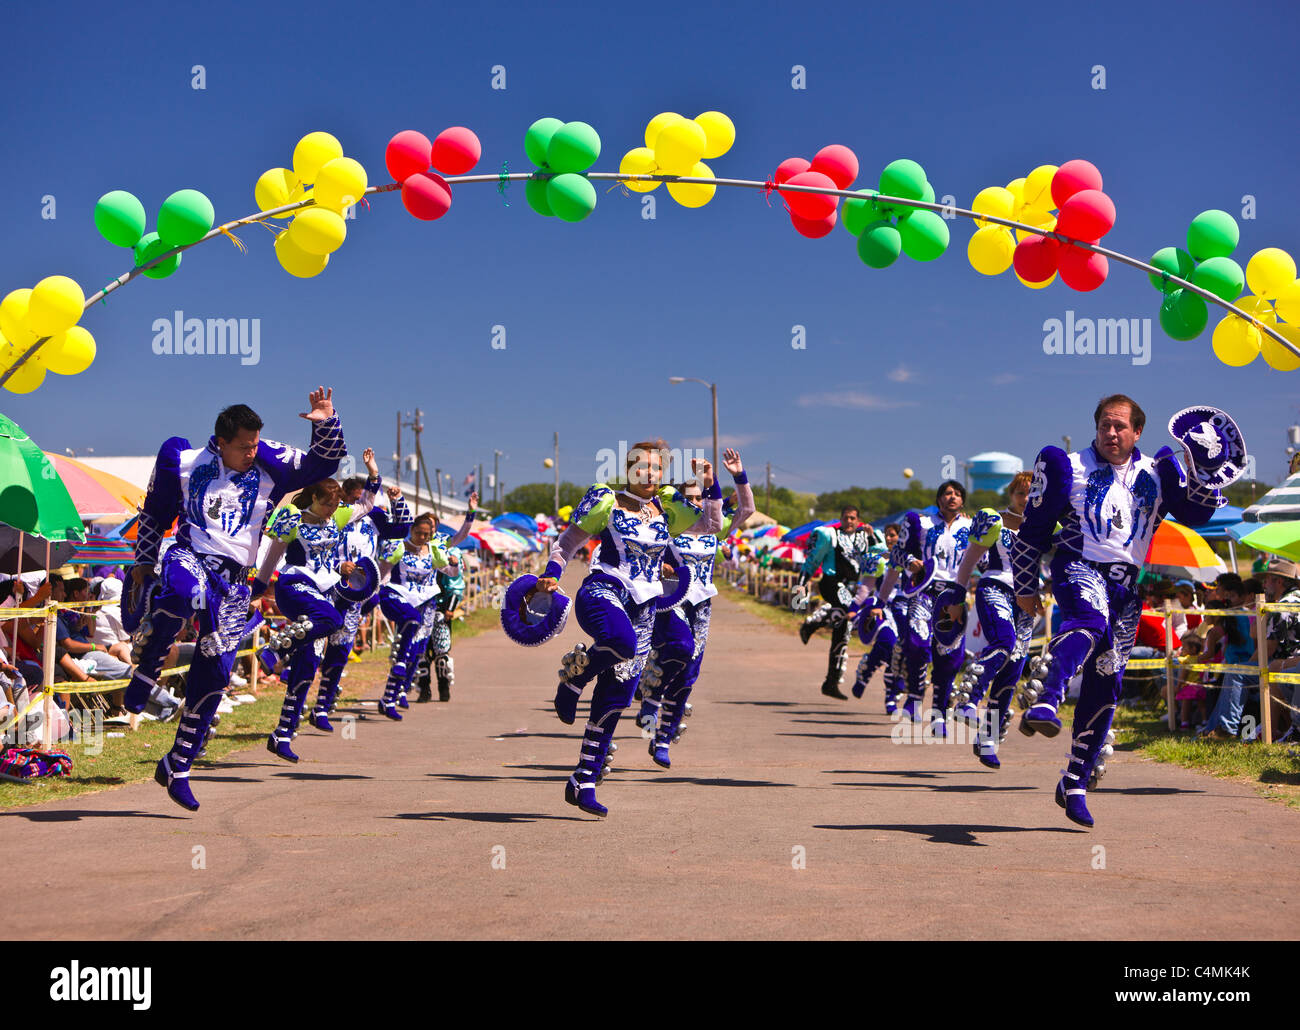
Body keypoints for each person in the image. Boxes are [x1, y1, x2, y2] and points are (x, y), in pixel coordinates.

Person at [1012, 397, 1240, 827]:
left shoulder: (1159, 470)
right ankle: (1047, 698)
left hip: (1127, 587)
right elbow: (1033, 530)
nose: (1110, 433)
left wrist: (1206, 471)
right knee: (1089, 621)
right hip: (1078, 564)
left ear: (1137, 432)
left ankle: (1075, 783)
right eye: (1104, 425)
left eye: (1119, 427)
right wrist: (1025, 587)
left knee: (1107, 682)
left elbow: (1195, 512)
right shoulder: (1068, 465)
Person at [124, 388, 346, 810]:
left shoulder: (270, 465)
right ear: (221, 441)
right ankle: (150, 661)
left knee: (215, 675)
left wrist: (325, 421)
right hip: (189, 555)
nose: (252, 451)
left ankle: (177, 765)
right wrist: (143, 561)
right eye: (244, 445)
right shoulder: (184, 461)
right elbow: (154, 512)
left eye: (255, 444)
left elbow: (323, 464)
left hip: (235, 580)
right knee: (186, 594)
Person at [527, 442, 719, 817]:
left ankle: (582, 780)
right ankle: (572, 682)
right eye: (642, 467)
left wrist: (710, 483)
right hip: (605, 590)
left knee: (616, 697)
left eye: (657, 469)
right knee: (620, 640)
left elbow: (711, 526)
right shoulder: (606, 501)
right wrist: (551, 574)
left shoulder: (668, 509)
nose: (650, 475)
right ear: (629, 470)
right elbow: (567, 543)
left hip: (645, 606)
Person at [255, 450, 387, 761]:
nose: (331, 510)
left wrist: (373, 471)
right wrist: (260, 587)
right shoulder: (292, 519)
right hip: (294, 586)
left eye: (334, 504)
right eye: (326, 503)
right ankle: (275, 649)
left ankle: (282, 734)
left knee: (308, 666)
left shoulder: (338, 517)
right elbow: (273, 556)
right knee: (331, 618)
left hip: (321, 592)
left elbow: (366, 504)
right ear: (312, 497)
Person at [638, 448, 754, 768]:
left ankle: (662, 739)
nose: (696, 501)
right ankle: (649, 697)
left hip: (701, 603)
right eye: (689, 496)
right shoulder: (667, 525)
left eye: (701, 495)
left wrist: (735, 475)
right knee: (678, 646)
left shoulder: (715, 527)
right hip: (671, 599)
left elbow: (747, 508)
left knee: (691, 671)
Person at [307, 463, 414, 728]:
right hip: (327, 585)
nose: (359, 501)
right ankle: (289, 680)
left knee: (341, 649)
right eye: (353, 497)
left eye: (363, 496)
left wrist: (397, 500)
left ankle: (322, 705)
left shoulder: (375, 517)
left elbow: (402, 530)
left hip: (355, 592)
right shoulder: (334, 516)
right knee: (313, 644)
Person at [871, 481, 974, 737]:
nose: (953, 497)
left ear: (963, 500)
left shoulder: (972, 527)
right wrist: (910, 561)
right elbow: (897, 555)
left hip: (955, 596)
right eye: (947, 493)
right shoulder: (923, 523)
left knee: (949, 657)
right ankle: (915, 698)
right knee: (917, 644)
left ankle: (939, 714)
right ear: (939, 499)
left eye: (957, 494)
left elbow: (986, 556)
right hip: (925, 592)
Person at [949, 470, 1035, 768]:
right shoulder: (994, 520)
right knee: (1003, 642)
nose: (1026, 499)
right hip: (995, 587)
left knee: (1013, 669)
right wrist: (957, 598)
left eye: (1033, 493)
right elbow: (969, 561)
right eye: (1021, 493)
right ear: (1011, 494)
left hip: (1028, 601)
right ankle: (967, 700)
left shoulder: (1046, 525)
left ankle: (988, 739)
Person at [793, 507, 881, 700]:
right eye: (846, 518)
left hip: (851, 588)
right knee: (847, 611)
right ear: (841, 519)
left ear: (858, 520)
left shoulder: (864, 538)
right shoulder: (830, 535)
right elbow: (812, 561)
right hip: (831, 582)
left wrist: (872, 537)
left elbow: (880, 556)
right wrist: (800, 588)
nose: (849, 521)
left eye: (853, 518)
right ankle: (812, 623)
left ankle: (831, 682)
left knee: (843, 631)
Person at [376, 514, 454, 719]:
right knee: (405, 645)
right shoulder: (398, 547)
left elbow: (452, 568)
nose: (422, 537)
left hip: (427, 603)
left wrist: (471, 515)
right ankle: (396, 686)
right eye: (419, 532)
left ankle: (390, 698)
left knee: (417, 653)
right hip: (403, 599)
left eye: (426, 534)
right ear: (411, 530)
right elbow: (382, 571)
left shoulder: (435, 550)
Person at [413, 494, 478, 703]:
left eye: (432, 527)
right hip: (419, 606)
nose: (429, 531)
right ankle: (423, 690)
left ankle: (443, 688)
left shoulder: (444, 546)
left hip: (441, 605)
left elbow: (462, 535)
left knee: (441, 651)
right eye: (425, 526)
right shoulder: (411, 547)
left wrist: (471, 513)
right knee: (421, 651)